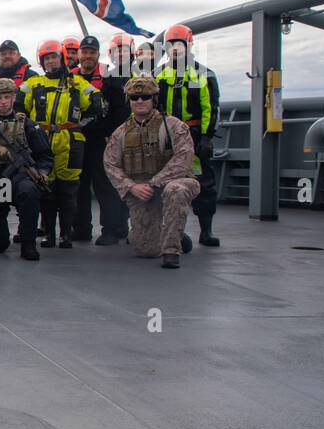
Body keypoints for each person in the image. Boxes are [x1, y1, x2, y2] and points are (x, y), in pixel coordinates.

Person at [104, 76, 201, 268]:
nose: (140, 101)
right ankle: (172, 235)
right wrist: (131, 187)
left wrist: (155, 181)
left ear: (154, 99)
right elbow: (110, 164)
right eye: (134, 97)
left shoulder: (173, 126)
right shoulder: (121, 133)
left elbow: (184, 158)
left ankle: (171, 250)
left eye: (146, 96)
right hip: (141, 190)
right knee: (146, 250)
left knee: (176, 191)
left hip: (175, 182)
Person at [19, 40, 101, 248]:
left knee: (68, 191)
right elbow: (19, 106)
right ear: (42, 62)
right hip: (42, 140)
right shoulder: (34, 83)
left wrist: (79, 125)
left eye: (54, 57)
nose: (51, 62)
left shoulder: (77, 83)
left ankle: (66, 234)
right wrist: (29, 130)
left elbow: (98, 105)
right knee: (46, 189)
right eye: (47, 59)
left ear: (62, 58)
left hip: (70, 141)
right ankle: (49, 235)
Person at [0, 78, 53, 260]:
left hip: (20, 177)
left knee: (29, 191)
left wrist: (43, 173)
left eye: (7, 97)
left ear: (14, 97)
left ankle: (28, 243)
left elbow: (45, 155)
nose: (3, 101)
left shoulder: (28, 125)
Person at [155, 23, 222, 247]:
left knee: (204, 182)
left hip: (194, 137)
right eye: (170, 45)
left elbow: (210, 108)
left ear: (188, 45)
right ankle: (169, 231)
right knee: (164, 181)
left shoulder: (203, 74)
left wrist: (207, 137)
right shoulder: (159, 75)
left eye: (179, 45)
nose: (175, 49)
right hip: (166, 137)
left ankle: (206, 231)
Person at [73, 35, 130, 244]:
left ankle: (111, 230)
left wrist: (110, 134)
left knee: (105, 185)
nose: (88, 56)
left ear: (98, 54)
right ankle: (81, 229)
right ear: (79, 54)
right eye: (84, 52)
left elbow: (119, 109)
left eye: (92, 52)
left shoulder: (109, 76)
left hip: (101, 140)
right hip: (78, 139)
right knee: (79, 185)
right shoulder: (71, 76)